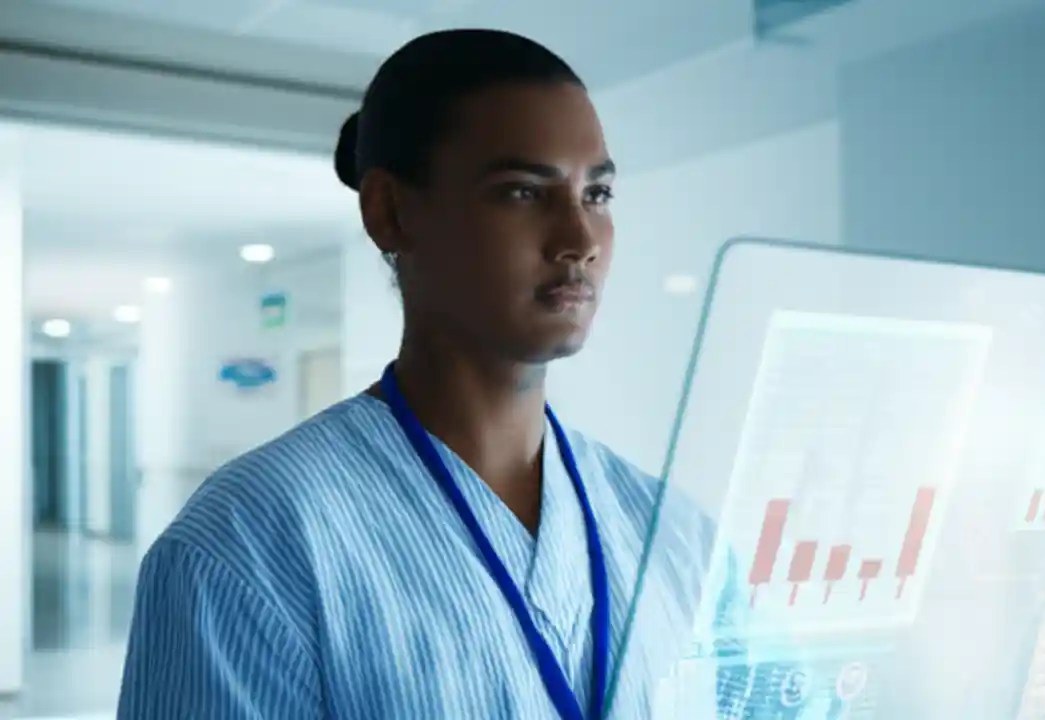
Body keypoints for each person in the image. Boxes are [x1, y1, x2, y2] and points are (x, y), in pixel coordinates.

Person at [117, 29, 727, 720]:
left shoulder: (669, 532)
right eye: (524, 192)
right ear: (391, 212)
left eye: (599, 193)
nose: (580, 241)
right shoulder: (249, 546)